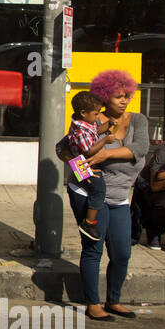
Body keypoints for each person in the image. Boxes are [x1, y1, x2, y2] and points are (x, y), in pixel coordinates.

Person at [56, 69, 149, 322]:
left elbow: (139, 149)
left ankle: (114, 300)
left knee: (122, 252)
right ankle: (93, 303)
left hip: (119, 196)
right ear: (104, 97)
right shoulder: (92, 120)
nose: (124, 100)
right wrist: (81, 167)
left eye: (126, 95)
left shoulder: (138, 121)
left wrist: (107, 154)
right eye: (118, 96)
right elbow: (62, 148)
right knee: (94, 248)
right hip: (90, 192)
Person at [65, 91, 112, 241]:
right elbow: (87, 151)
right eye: (96, 114)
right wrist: (104, 141)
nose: (98, 117)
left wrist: (108, 125)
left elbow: (96, 132)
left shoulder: (86, 124)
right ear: (83, 113)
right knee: (99, 189)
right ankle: (89, 223)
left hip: (85, 166)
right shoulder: (80, 131)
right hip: (84, 166)